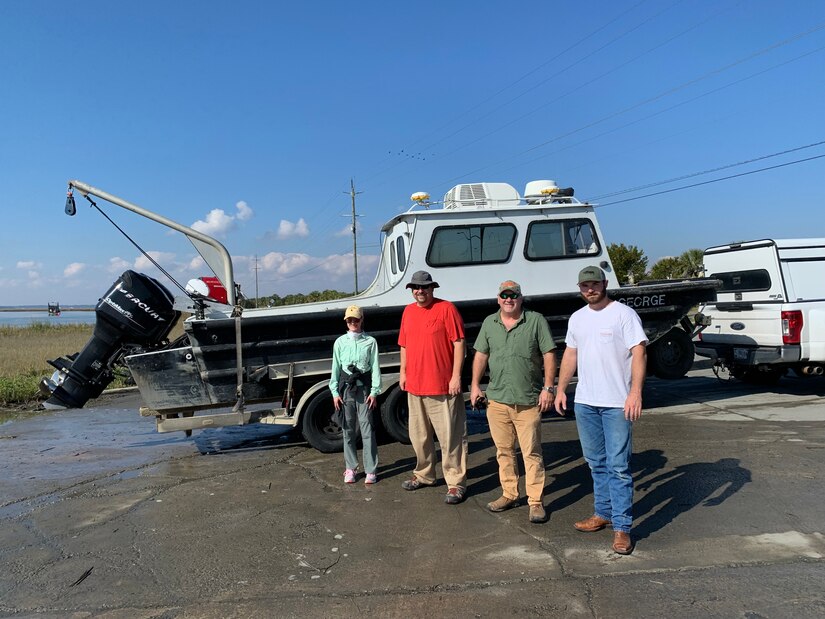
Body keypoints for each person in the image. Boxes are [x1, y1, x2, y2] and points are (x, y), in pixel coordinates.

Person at [554, 266, 648, 555]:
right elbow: (571, 353)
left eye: (594, 284)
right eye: (585, 286)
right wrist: (560, 388)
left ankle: (622, 528)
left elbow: (639, 351)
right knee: (595, 462)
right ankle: (602, 513)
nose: (590, 290)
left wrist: (635, 393)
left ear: (604, 284)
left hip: (616, 403)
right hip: (585, 401)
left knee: (618, 466)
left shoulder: (623, 314)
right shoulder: (578, 318)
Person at [470, 280, 557, 524]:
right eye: (504, 295)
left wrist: (549, 388)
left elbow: (549, 354)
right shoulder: (490, 323)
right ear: (498, 298)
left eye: (514, 295)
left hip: (528, 400)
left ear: (521, 298)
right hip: (497, 400)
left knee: (531, 452)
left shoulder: (536, 320)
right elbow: (481, 354)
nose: (509, 299)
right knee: (503, 451)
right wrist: (475, 385)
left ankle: (536, 502)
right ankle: (509, 493)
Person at [398, 270, 468, 504]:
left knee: (450, 438)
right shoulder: (408, 312)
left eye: (424, 287)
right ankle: (424, 474)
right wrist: (403, 373)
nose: (420, 291)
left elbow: (459, 343)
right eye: (416, 288)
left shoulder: (446, 309)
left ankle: (456, 483)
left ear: (432, 288)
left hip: (442, 386)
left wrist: (456, 376)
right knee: (419, 437)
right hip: (415, 386)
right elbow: (404, 345)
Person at [329, 305, 381, 485]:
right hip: (346, 390)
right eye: (349, 320)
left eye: (356, 320)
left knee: (367, 429)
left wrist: (374, 392)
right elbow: (335, 368)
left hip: (364, 390)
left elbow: (375, 368)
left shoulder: (371, 342)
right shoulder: (340, 342)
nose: (353, 323)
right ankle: (350, 467)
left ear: (361, 320)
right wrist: (335, 392)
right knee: (348, 428)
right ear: (346, 321)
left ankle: (371, 469)